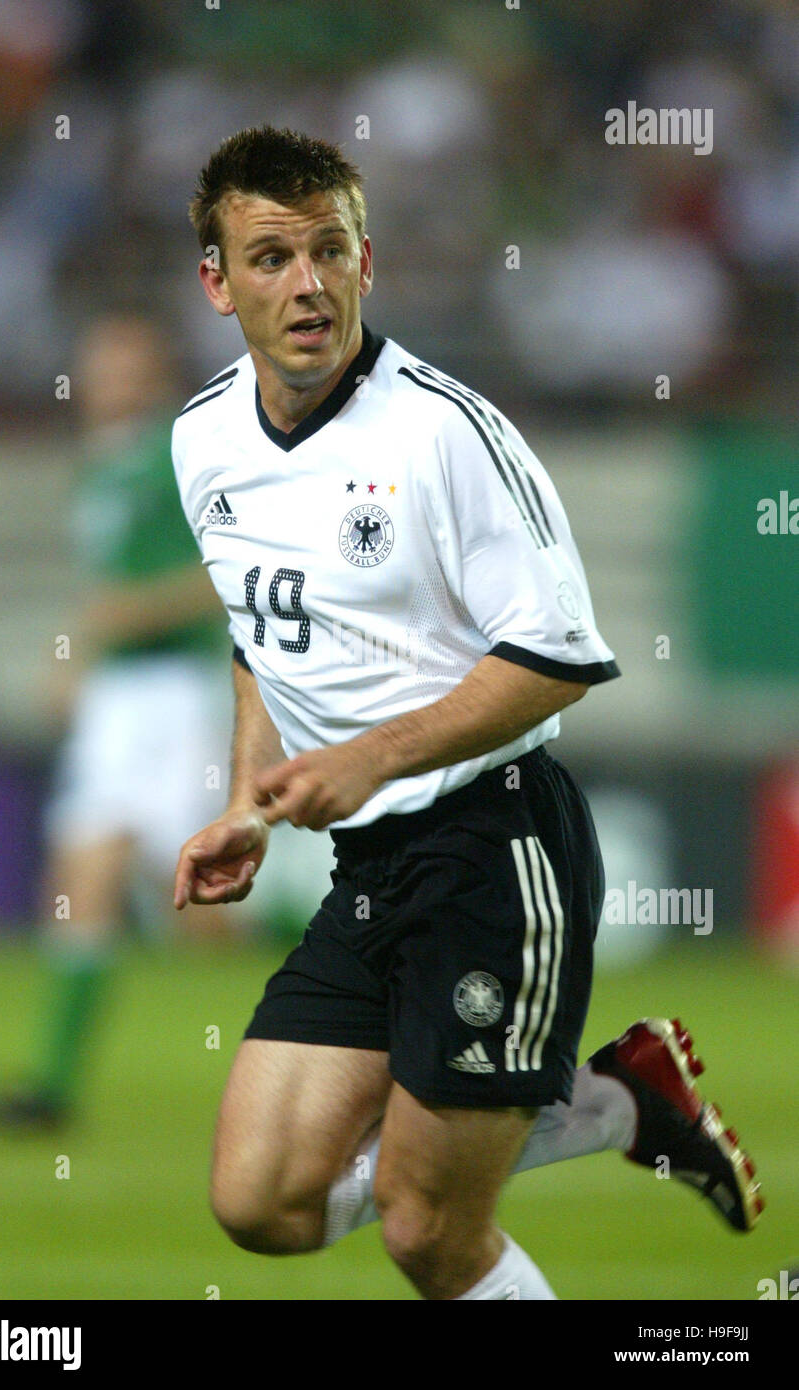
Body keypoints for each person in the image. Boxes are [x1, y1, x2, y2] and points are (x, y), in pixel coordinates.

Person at [172, 127, 762, 1300]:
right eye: (272, 257)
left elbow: (554, 659)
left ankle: (591, 1106)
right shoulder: (203, 440)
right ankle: (614, 1099)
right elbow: (256, 634)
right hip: (368, 869)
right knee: (260, 1201)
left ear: (365, 261)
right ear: (218, 282)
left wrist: (370, 757)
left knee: (425, 1227)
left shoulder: (444, 433)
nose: (306, 283)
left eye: (327, 250)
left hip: (495, 847)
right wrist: (247, 801)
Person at [0, 314, 231, 1128]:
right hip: (118, 698)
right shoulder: (102, 464)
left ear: (154, 372)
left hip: (172, 692)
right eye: (96, 361)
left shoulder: (178, 454)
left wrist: (119, 619)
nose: (103, 375)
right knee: (81, 878)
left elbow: (226, 571)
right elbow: (104, 595)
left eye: (122, 362)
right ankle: (49, 1090)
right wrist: (78, 659)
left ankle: (359, 1032)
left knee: (204, 911)